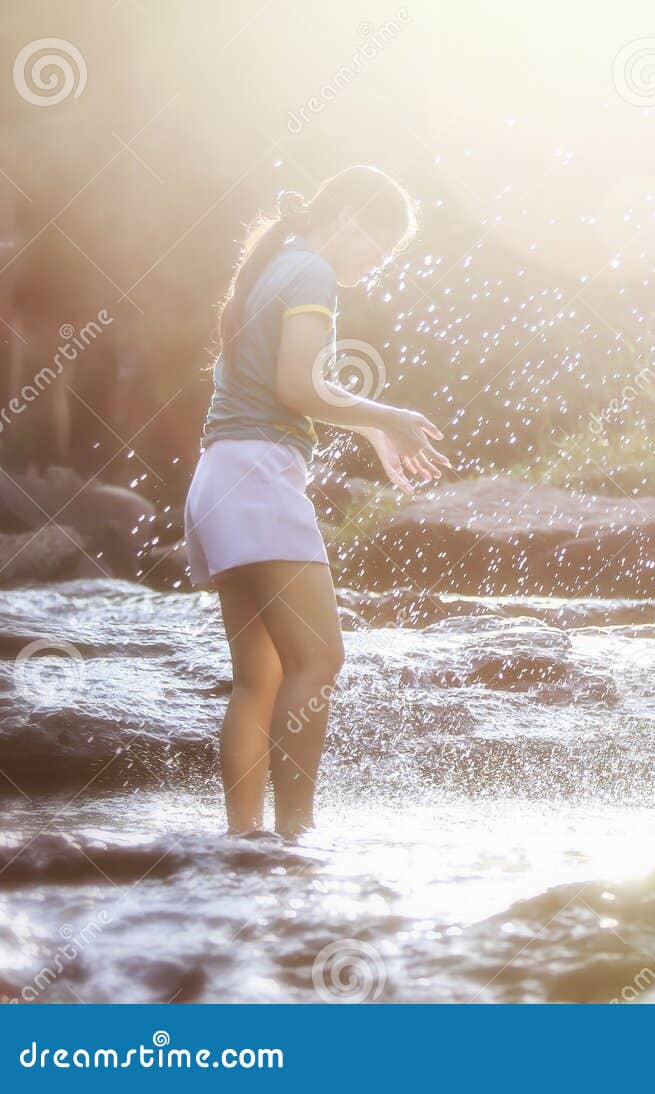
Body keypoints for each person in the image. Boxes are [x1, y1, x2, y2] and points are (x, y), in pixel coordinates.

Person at [184, 166, 450, 839]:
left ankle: (246, 844)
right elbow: (298, 387)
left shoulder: (279, 265)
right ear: (349, 217)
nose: (379, 263)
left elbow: (283, 390)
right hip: (258, 481)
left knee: (259, 680)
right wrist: (388, 413)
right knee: (320, 660)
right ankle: (296, 837)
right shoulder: (313, 275)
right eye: (380, 245)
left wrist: (369, 427)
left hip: (219, 477)